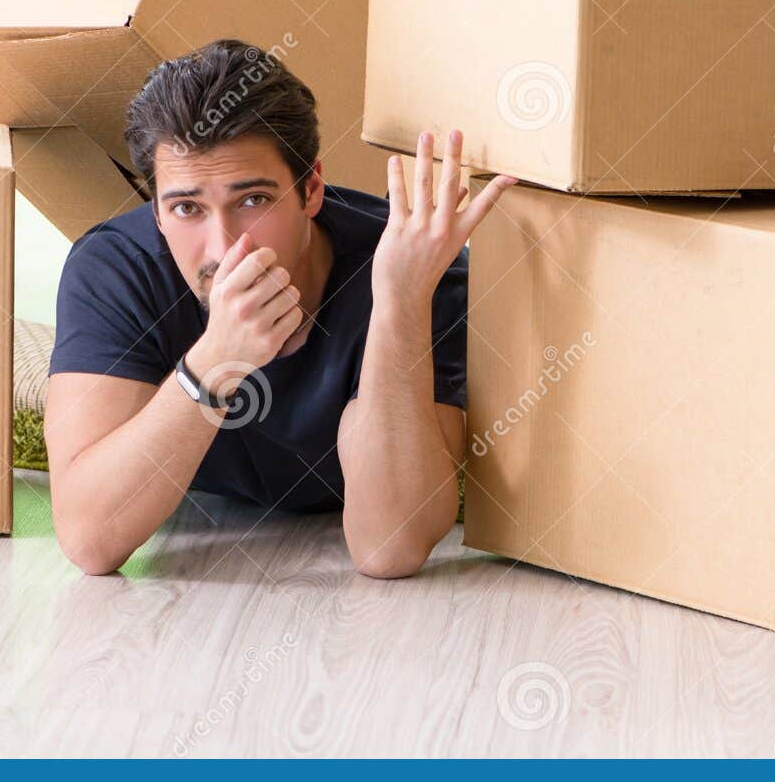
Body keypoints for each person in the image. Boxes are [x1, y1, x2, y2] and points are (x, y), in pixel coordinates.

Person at [43, 39, 515, 578]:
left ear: (311, 189)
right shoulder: (115, 269)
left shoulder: (415, 270)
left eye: (253, 201)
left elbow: (391, 546)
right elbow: (88, 540)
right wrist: (216, 358)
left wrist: (400, 303)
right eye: (187, 208)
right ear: (154, 210)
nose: (223, 250)